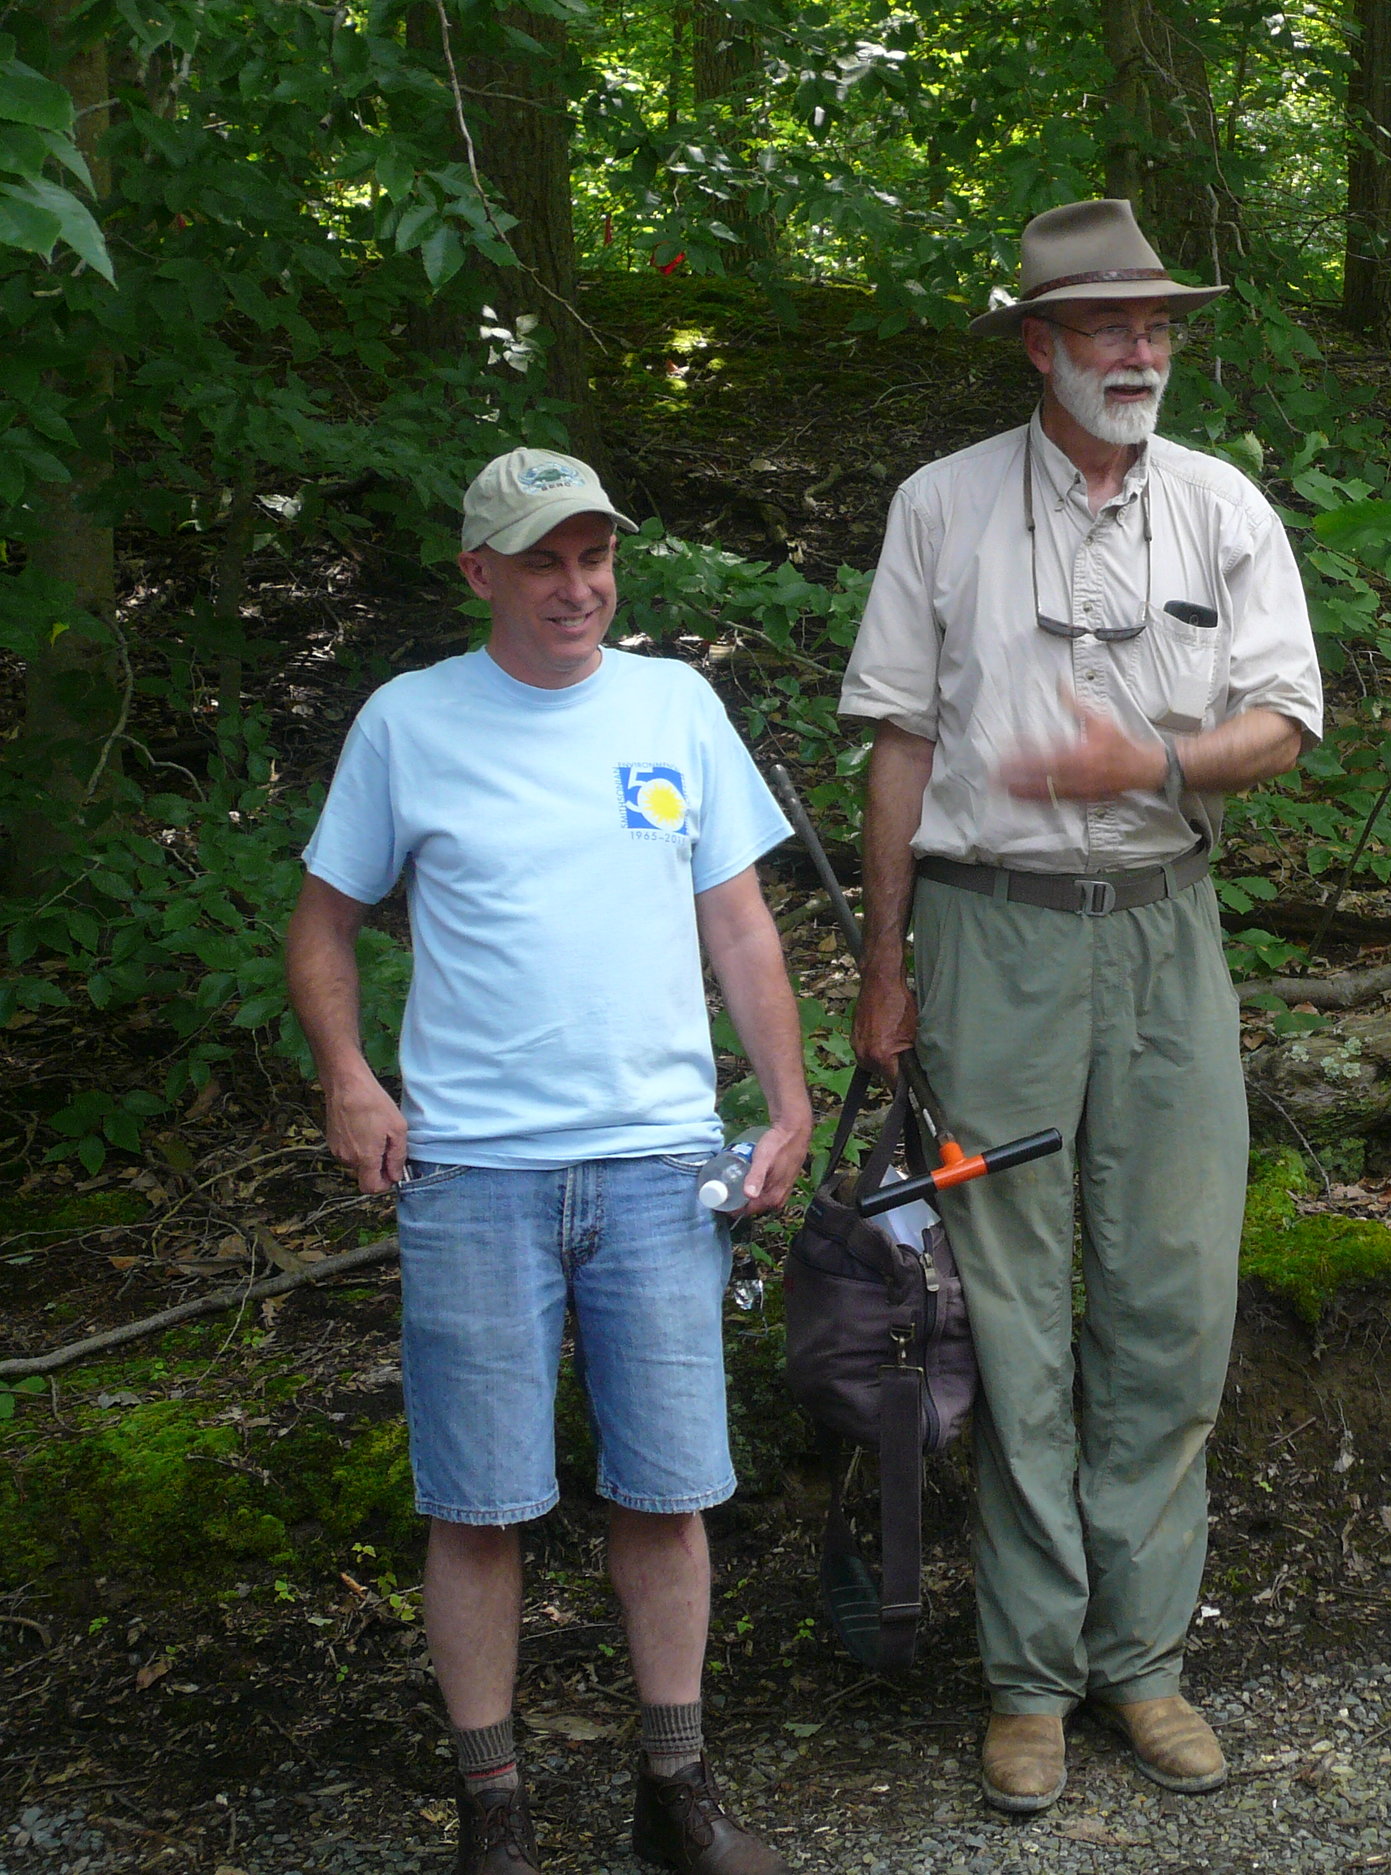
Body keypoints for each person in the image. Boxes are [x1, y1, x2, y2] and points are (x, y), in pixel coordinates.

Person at [838, 199, 1324, 1815]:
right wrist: (886, 971)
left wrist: (1155, 763)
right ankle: (1033, 1680)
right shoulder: (942, 509)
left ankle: (1147, 1663)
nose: (1141, 351)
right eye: (1108, 327)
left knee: (1178, 1297)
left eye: (1159, 324)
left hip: (1170, 940)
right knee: (1013, 1308)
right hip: (994, 942)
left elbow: (1286, 724)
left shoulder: (1223, 509)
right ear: (1039, 345)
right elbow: (900, 746)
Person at [286, 447, 813, 1874]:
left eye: (594, 556)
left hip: (656, 1162)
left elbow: (743, 928)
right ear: (480, 575)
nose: (576, 586)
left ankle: (677, 1792)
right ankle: (495, 1812)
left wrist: (787, 1100)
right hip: (472, 1171)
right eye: (543, 560)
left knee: (669, 1489)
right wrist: (350, 1078)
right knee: (478, 1503)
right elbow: (323, 918)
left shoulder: (675, 703)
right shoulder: (409, 723)